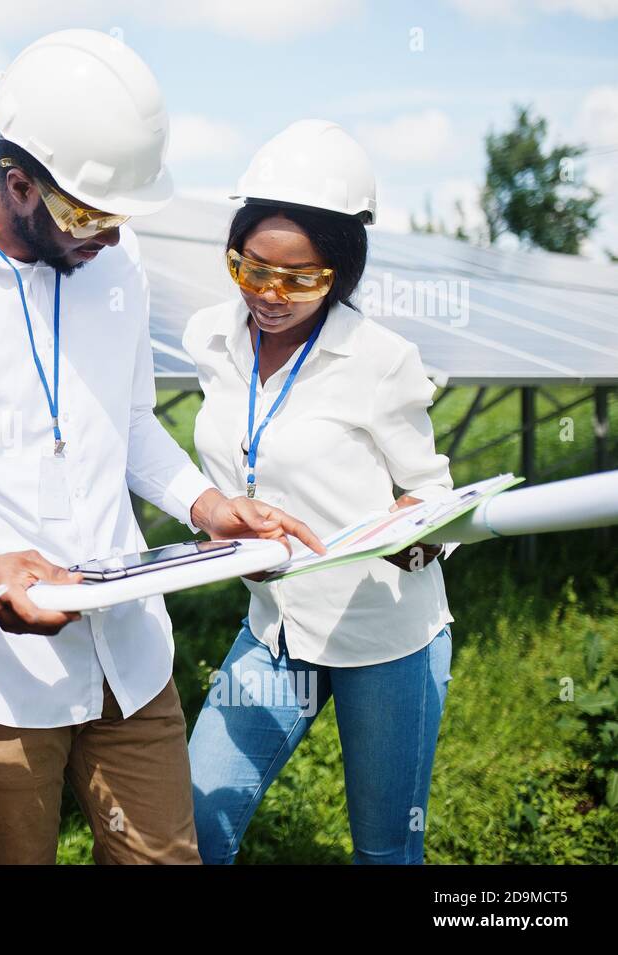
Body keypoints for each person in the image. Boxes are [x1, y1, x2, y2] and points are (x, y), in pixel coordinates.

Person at [0, 30, 324, 865]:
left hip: (130, 654)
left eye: (120, 217)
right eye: (89, 215)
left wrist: (210, 506)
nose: (107, 236)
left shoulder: (117, 264)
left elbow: (130, 428)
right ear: (18, 184)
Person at [184, 120, 455, 864]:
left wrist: (426, 524)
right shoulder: (210, 339)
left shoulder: (380, 360)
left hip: (385, 635)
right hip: (275, 629)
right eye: (250, 267)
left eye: (299, 278)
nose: (268, 294)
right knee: (195, 825)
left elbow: (432, 488)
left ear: (340, 272)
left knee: (384, 851)